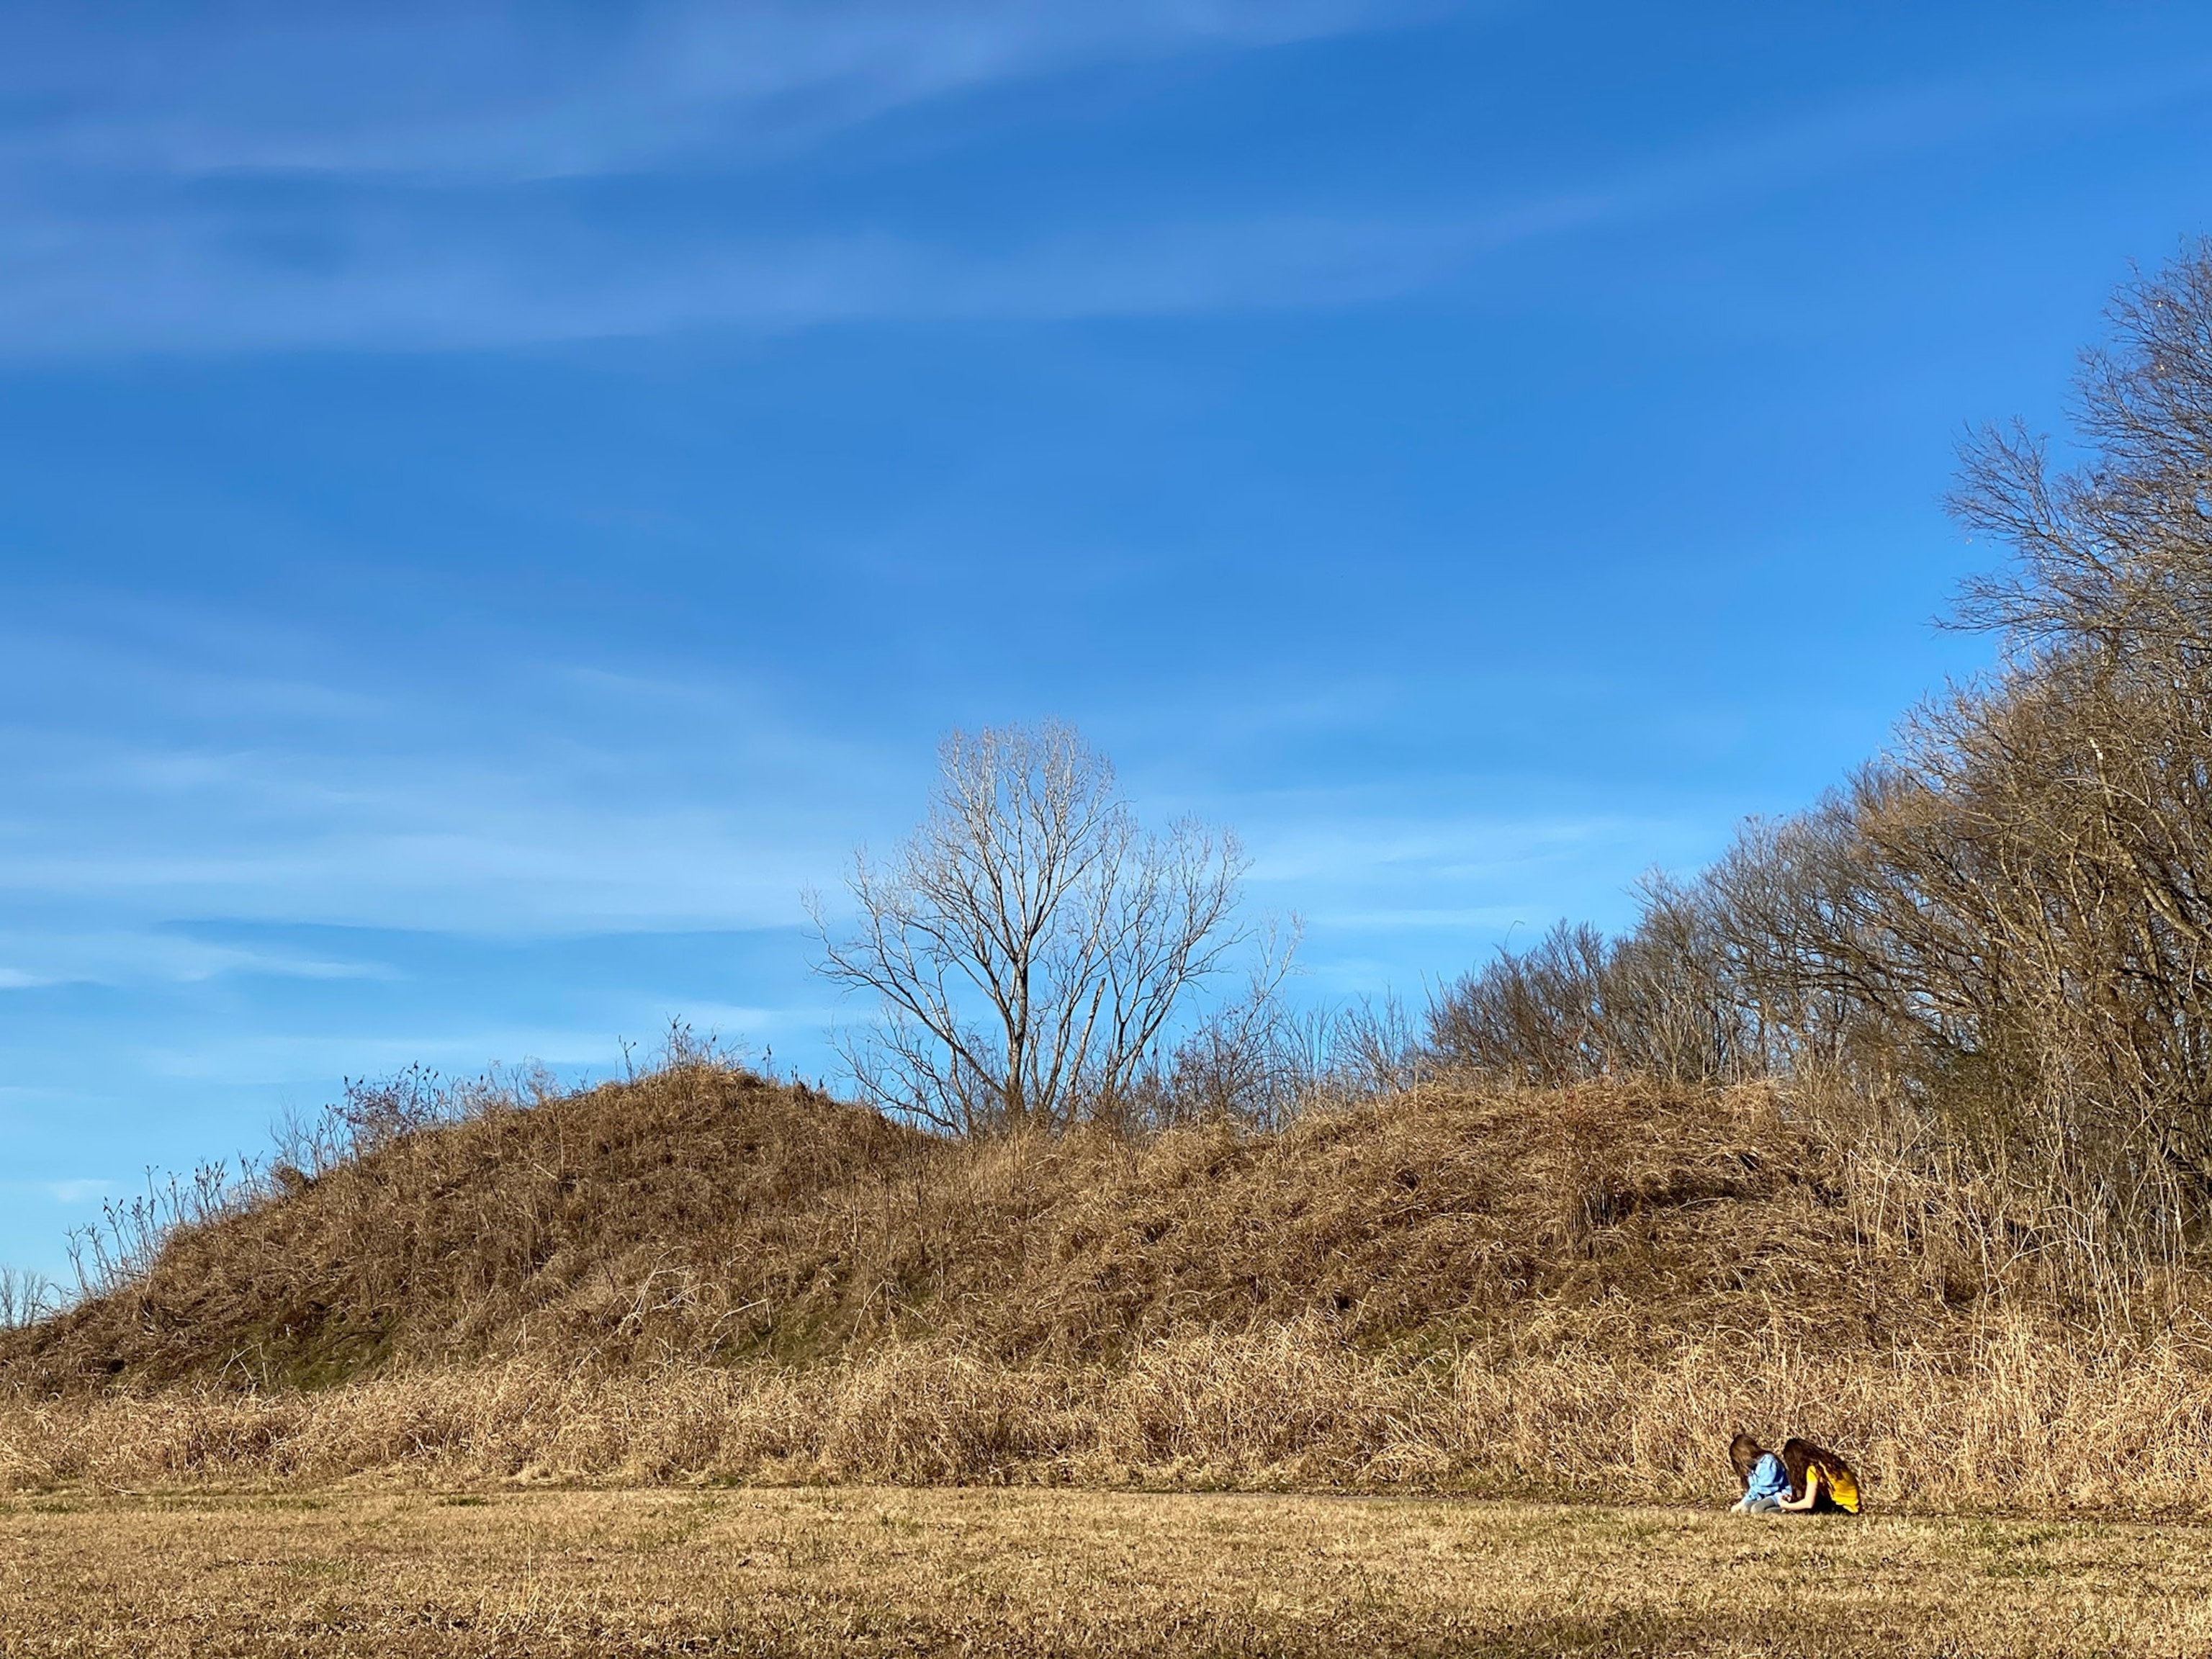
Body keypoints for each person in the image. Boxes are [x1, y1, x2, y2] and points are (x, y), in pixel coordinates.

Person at [1728, 1433, 1793, 1514]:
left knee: (1757, 1509)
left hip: (1780, 1496)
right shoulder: (1751, 1468)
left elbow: (1762, 1490)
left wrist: (1739, 1505)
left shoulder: (1768, 1461)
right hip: (1764, 1498)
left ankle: (1787, 1510)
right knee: (1745, 1509)